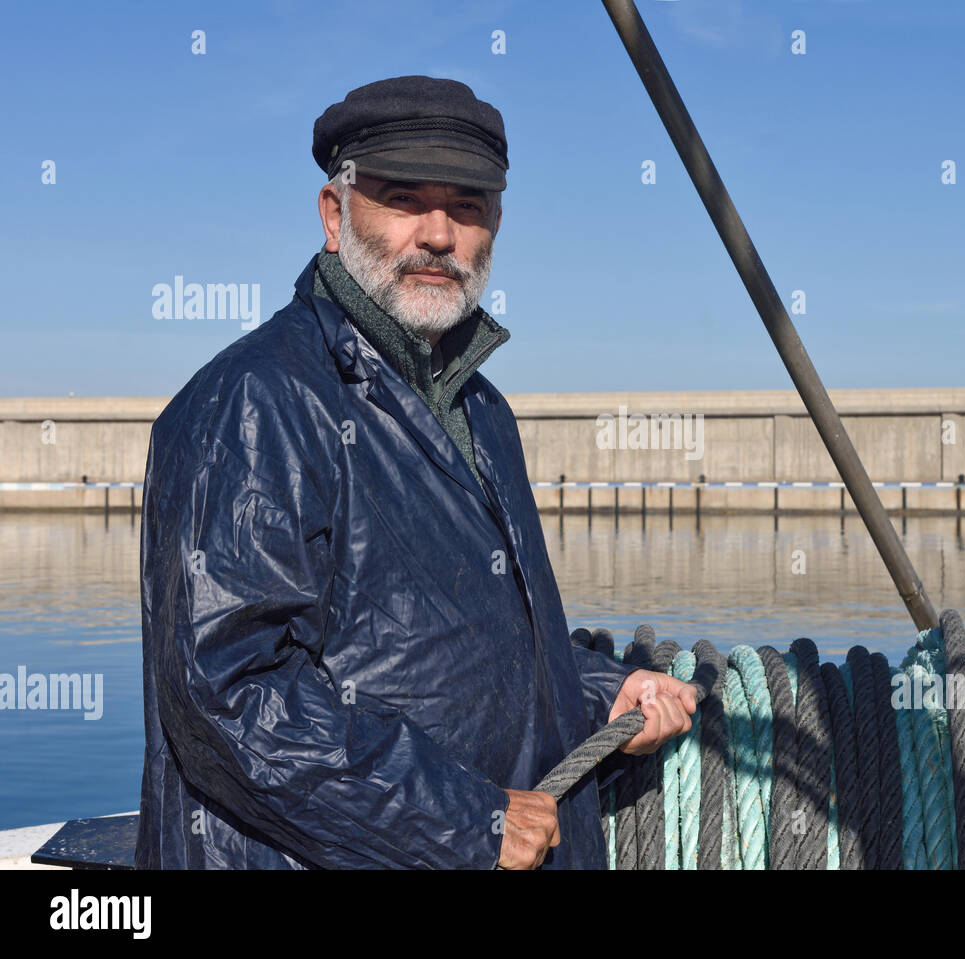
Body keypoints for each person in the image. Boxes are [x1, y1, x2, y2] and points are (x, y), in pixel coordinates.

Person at [134, 76, 697, 870]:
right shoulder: (256, 401)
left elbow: (462, 657)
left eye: (467, 204)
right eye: (403, 198)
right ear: (335, 215)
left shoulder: (482, 410)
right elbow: (230, 693)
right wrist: (466, 822)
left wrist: (604, 690)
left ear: (495, 224)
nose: (439, 234)